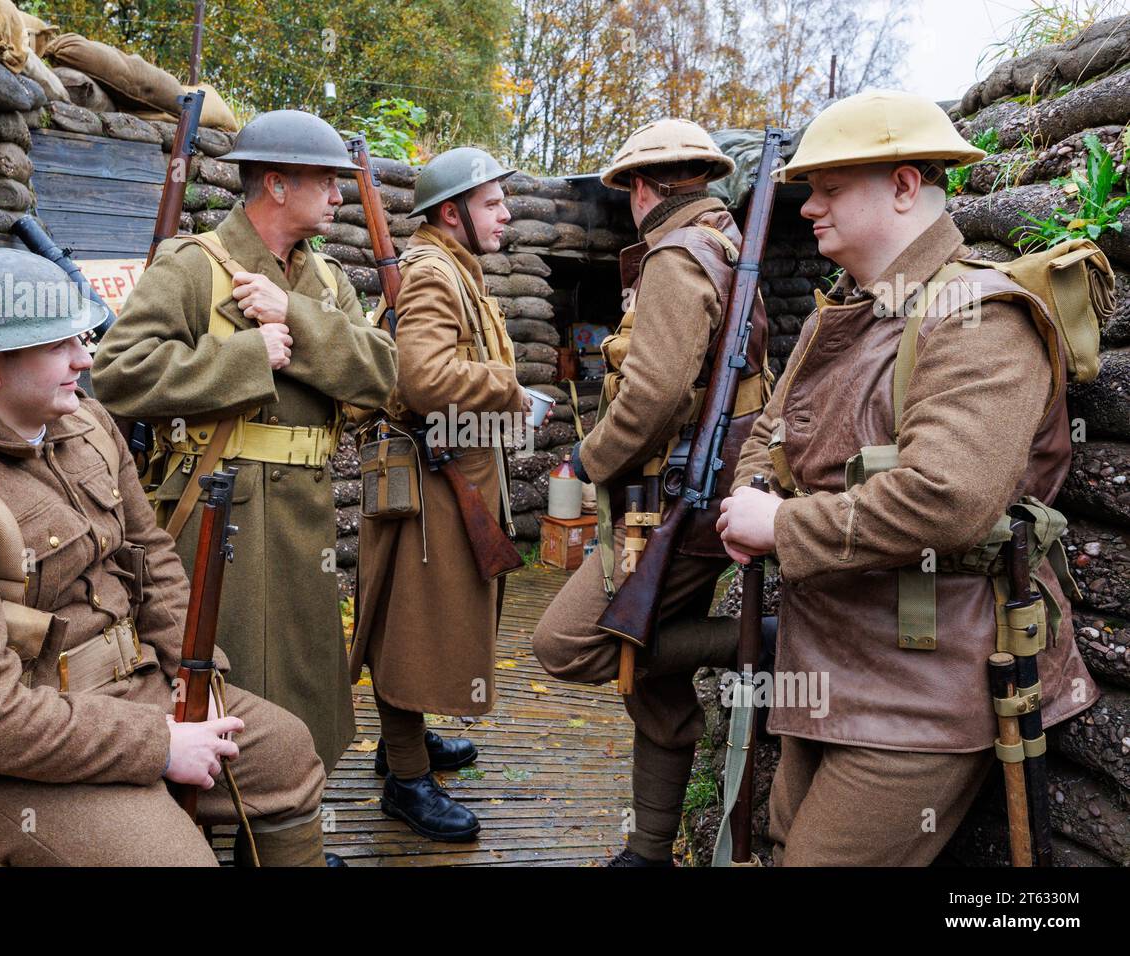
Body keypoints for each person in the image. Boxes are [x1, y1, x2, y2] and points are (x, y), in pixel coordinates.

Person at [0, 248, 331, 866]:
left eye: (81, 337)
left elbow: (150, 556)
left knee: (285, 755)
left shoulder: (84, 422)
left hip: (133, 689)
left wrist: (197, 677)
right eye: (60, 345)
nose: (85, 359)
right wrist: (159, 744)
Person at [717, 90, 1097, 865]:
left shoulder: (980, 316)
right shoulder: (849, 314)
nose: (808, 208)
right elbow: (769, 431)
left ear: (902, 185)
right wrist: (755, 487)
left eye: (830, 188)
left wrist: (782, 527)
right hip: (826, 664)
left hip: (920, 688)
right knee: (789, 845)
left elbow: (947, 498)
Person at [91, 110, 398, 787]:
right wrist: (242, 356)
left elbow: (382, 376)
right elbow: (116, 372)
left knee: (306, 683)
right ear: (279, 185)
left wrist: (296, 320)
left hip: (305, 521)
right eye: (327, 183)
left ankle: (289, 825)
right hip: (221, 507)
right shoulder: (192, 267)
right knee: (228, 679)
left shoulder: (327, 284)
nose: (341, 198)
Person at [532, 119, 772, 866]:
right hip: (695, 486)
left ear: (640, 188)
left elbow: (655, 393)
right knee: (652, 684)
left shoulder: (676, 254)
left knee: (563, 645)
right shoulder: (724, 243)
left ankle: (761, 642)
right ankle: (648, 848)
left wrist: (587, 458)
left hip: (673, 497)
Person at [348, 146, 529, 842]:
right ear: (452, 213)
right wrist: (509, 389)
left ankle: (411, 746)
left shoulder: (453, 269)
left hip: (449, 481)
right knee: (408, 633)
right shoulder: (432, 274)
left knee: (425, 625)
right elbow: (424, 380)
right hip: (426, 488)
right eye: (492, 202)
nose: (506, 212)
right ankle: (405, 778)